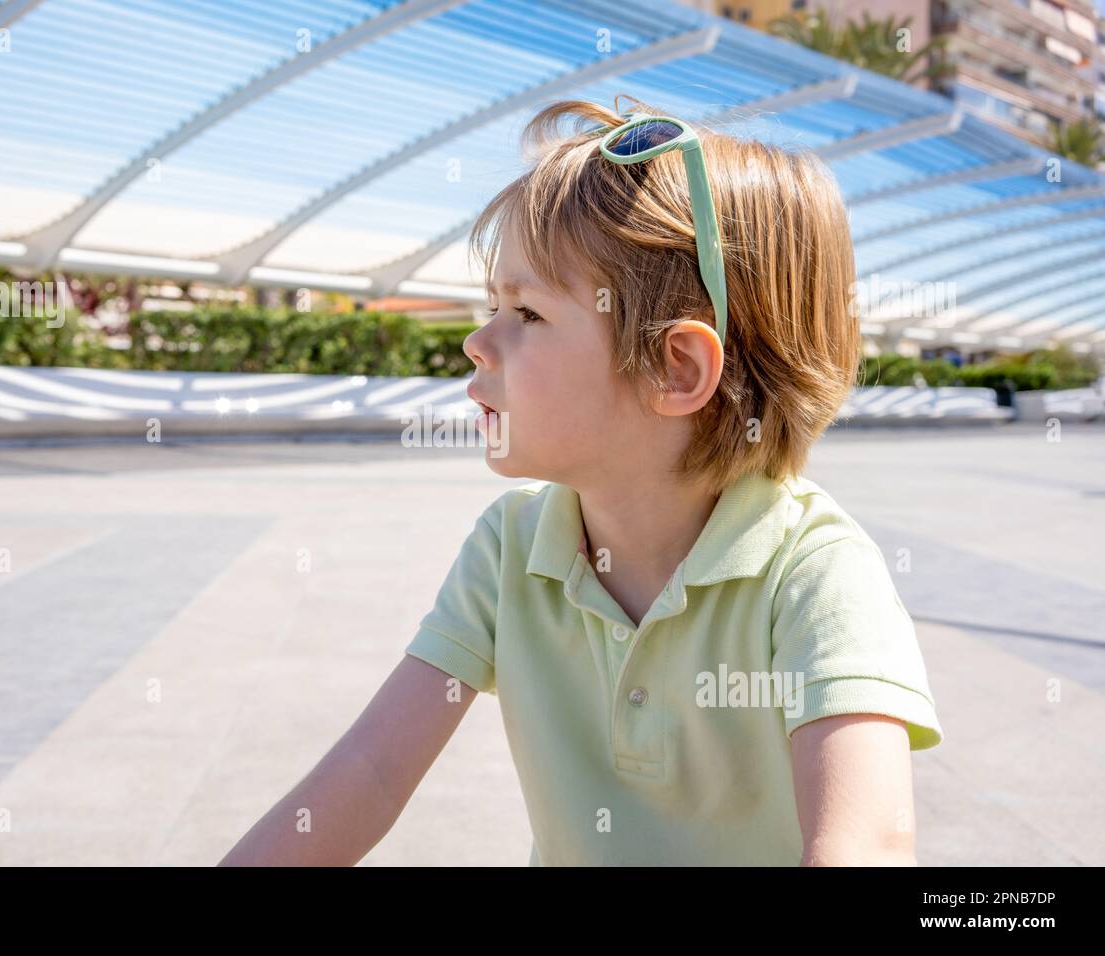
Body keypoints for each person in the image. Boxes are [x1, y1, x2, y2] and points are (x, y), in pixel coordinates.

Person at [218, 96, 943, 867]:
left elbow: (866, 844)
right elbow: (370, 771)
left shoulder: (816, 576)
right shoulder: (510, 549)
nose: (476, 340)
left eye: (525, 313)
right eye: (490, 304)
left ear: (677, 367)